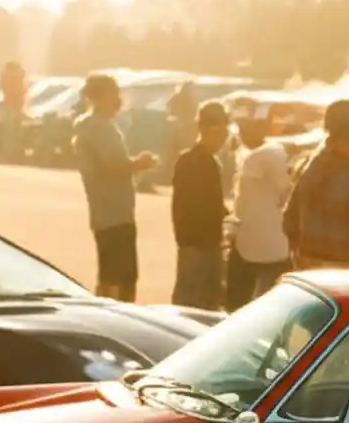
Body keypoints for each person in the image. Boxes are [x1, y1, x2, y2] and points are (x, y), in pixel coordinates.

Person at [72, 74, 158, 303]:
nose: (118, 101)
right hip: (113, 214)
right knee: (120, 276)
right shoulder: (98, 127)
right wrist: (140, 163)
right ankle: (117, 318)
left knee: (112, 272)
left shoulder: (92, 126)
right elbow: (113, 164)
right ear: (98, 97)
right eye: (113, 95)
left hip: (108, 211)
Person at [282, 100, 349, 269]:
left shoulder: (310, 166)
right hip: (347, 274)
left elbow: (289, 221)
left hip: (309, 270)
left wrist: (302, 254)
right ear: (342, 137)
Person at [226, 103, 293, 310]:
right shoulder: (248, 153)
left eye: (249, 127)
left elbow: (286, 193)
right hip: (248, 241)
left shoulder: (269, 155)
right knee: (239, 304)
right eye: (241, 128)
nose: (243, 133)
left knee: (265, 306)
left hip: (268, 245)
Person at [171, 101, 231, 310]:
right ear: (205, 130)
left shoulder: (208, 162)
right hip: (196, 244)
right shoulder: (192, 161)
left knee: (206, 300)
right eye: (219, 132)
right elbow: (190, 206)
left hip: (207, 242)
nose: (222, 138)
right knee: (191, 302)